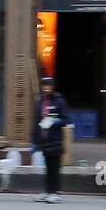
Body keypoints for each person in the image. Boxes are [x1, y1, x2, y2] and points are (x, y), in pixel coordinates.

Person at [33, 75, 70, 203]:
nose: (46, 88)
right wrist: (35, 142)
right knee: (47, 168)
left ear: (53, 87)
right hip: (44, 140)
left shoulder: (59, 101)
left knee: (55, 168)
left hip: (55, 140)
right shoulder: (41, 102)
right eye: (44, 85)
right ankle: (48, 191)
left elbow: (67, 120)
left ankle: (56, 192)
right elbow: (36, 122)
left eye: (48, 85)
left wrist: (54, 121)